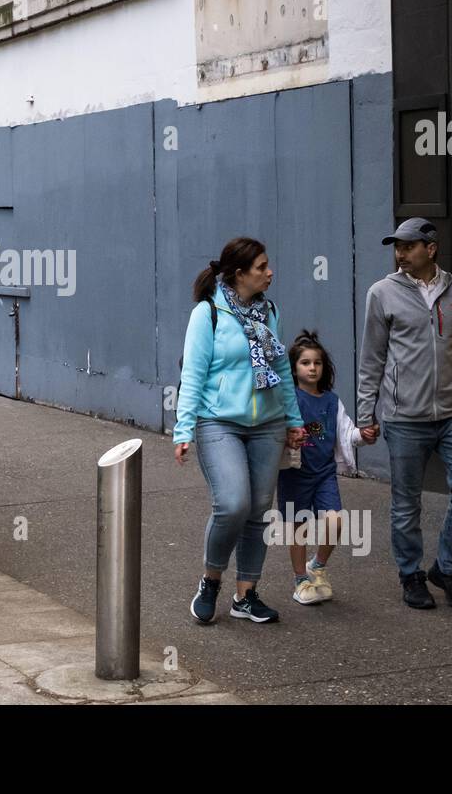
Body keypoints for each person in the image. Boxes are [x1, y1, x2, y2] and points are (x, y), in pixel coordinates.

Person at [357, 218, 452, 610]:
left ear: (431, 249)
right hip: (404, 417)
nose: (400, 253)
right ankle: (411, 575)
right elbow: (371, 360)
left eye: (408, 246)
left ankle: (448, 568)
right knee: (406, 504)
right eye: (397, 247)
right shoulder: (382, 293)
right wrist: (365, 414)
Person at [174, 237, 306, 625]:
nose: (270, 272)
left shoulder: (270, 312)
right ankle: (211, 580)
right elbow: (193, 375)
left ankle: (246, 595)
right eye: (262, 266)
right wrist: (184, 430)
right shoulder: (207, 314)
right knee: (232, 503)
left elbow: (282, 369)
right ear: (239, 274)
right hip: (219, 422)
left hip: (268, 425)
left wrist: (294, 420)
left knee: (259, 511)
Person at [275, 330, 370, 605]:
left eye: (317, 363)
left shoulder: (331, 400)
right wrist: (288, 438)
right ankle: (300, 581)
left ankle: (316, 566)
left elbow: (345, 432)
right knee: (298, 529)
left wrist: (362, 436)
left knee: (335, 520)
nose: (312, 368)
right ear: (294, 367)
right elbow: (275, 432)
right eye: (305, 363)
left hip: (324, 473)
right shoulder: (288, 398)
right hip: (294, 473)